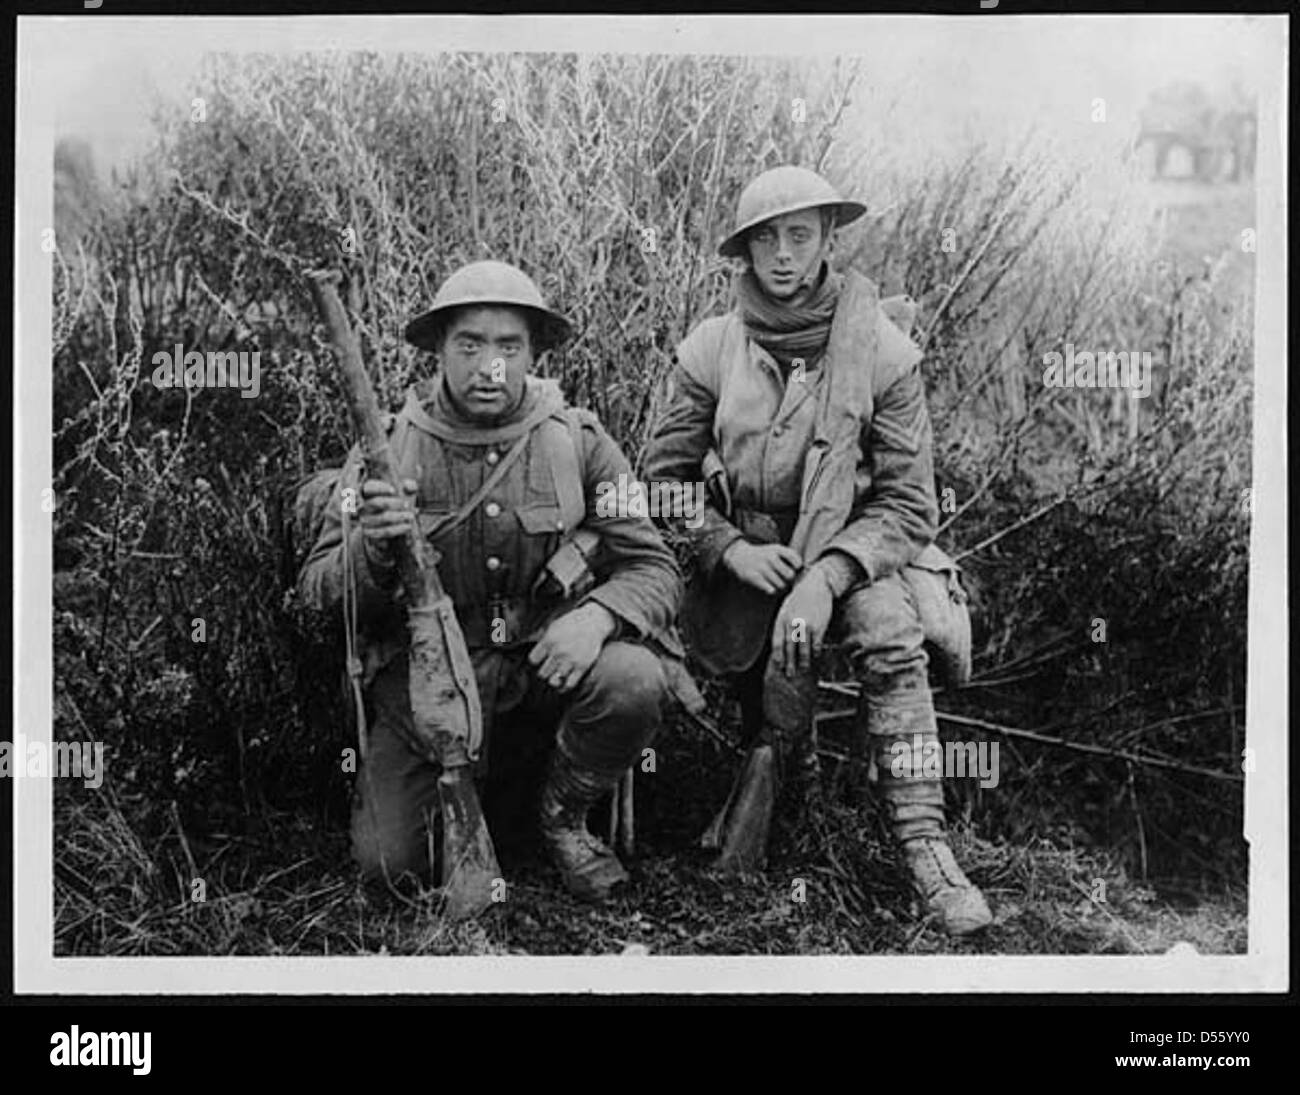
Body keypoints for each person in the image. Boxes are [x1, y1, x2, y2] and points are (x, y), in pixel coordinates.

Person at [643, 166, 992, 935]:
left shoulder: (885, 355)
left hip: (854, 544)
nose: (782, 255)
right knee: (739, 678)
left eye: (800, 234)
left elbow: (909, 504)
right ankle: (785, 792)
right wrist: (726, 547)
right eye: (764, 238)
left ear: (831, 238)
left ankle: (924, 843)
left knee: (891, 637)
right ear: (743, 253)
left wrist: (827, 576)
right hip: (748, 555)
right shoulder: (711, 349)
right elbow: (661, 485)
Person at [299, 260, 688, 902]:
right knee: (392, 869)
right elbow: (316, 593)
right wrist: (370, 549)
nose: (490, 366)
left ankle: (561, 818)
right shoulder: (387, 449)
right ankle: (483, 810)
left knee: (633, 680)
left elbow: (655, 568)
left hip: (543, 679)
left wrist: (596, 620)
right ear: (438, 351)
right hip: (430, 700)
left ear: (533, 353)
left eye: (509, 346)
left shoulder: (580, 442)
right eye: (469, 344)